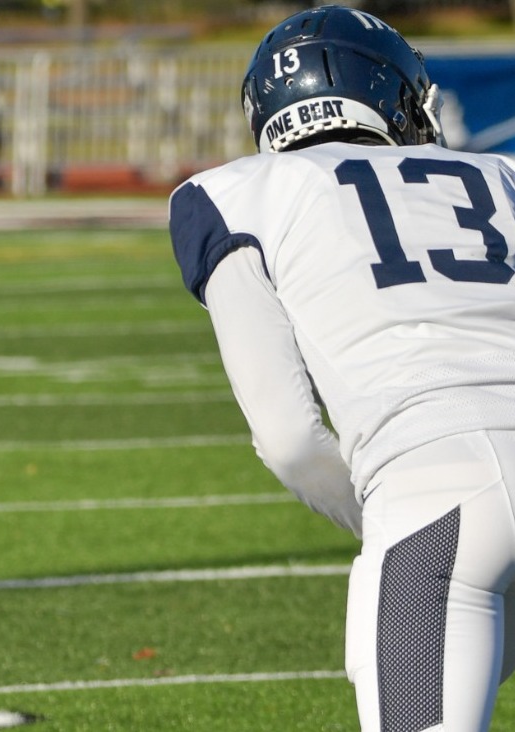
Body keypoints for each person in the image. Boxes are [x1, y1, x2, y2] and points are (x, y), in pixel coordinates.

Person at [169, 5, 515, 731]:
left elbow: (290, 439)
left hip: (435, 496)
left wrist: (380, 516)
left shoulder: (235, 193)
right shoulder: (503, 173)